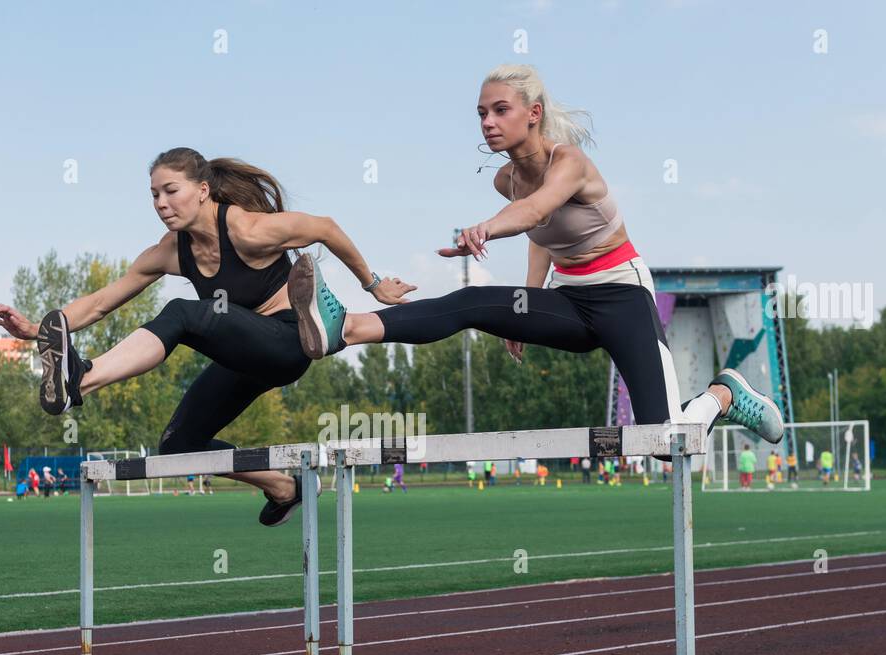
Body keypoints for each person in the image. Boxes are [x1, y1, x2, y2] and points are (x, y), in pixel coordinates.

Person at [287, 63, 784, 450]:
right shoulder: (506, 178)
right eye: (481, 113)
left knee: (665, 440)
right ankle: (347, 328)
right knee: (473, 302)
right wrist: (523, 307)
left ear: (534, 113)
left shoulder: (568, 162)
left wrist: (485, 228)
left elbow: (537, 210)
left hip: (622, 297)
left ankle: (724, 394)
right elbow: (541, 233)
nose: (487, 122)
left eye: (500, 110)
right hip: (570, 300)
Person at [0, 148, 413, 528]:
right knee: (177, 446)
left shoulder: (246, 228)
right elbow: (101, 302)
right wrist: (37, 329)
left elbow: (326, 227)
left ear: (203, 190)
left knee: (183, 314)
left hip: (288, 341)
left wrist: (372, 284)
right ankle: (286, 488)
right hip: (243, 354)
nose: (160, 203)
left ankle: (79, 380)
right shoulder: (170, 251)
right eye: (153, 195)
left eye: (170, 191)